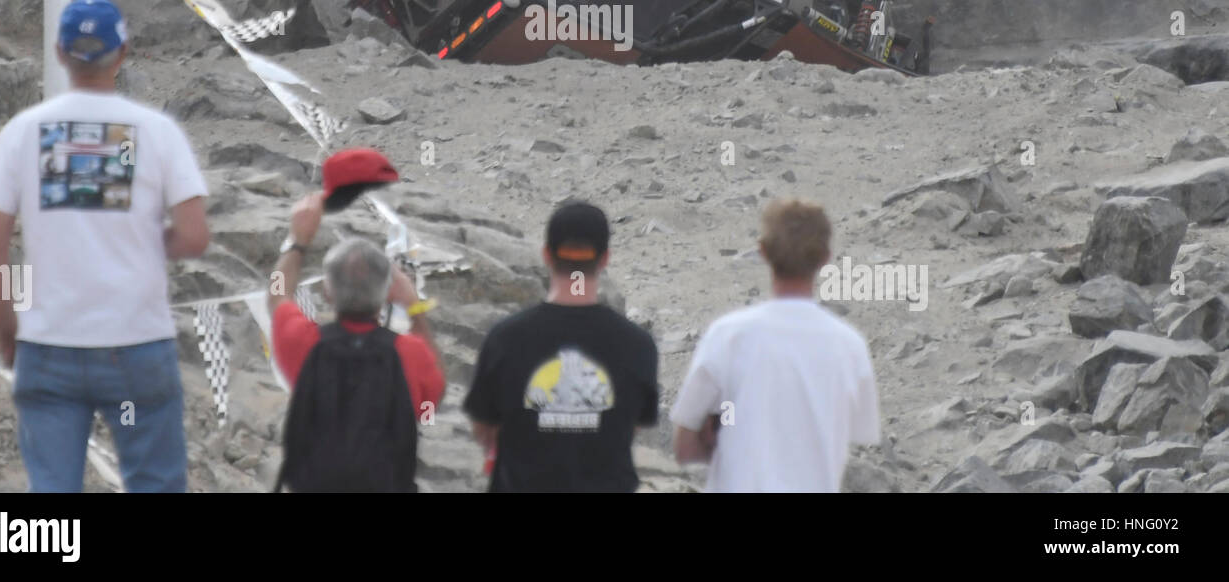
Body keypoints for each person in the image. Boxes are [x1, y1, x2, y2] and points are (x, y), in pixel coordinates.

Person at [0, 0, 210, 492]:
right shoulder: (159, 132)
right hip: (137, 343)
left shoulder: (22, 132)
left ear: (59, 52)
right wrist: (145, 243)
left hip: (49, 345)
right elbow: (194, 235)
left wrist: (9, 332)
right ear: (123, 54)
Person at [670, 198, 880, 492]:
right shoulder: (850, 346)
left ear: (763, 251)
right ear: (825, 257)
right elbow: (857, 434)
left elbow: (686, 448)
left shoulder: (727, 335)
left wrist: (718, 436)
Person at [268, 148, 445, 492]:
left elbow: (277, 295)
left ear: (328, 292)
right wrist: (414, 306)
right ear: (386, 293)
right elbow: (430, 403)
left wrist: (297, 242)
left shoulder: (304, 344)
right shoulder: (410, 352)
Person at [465, 201, 658, 492]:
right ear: (605, 258)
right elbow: (632, 426)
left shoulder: (504, 339)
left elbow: (485, 429)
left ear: (546, 255)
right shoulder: (638, 345)